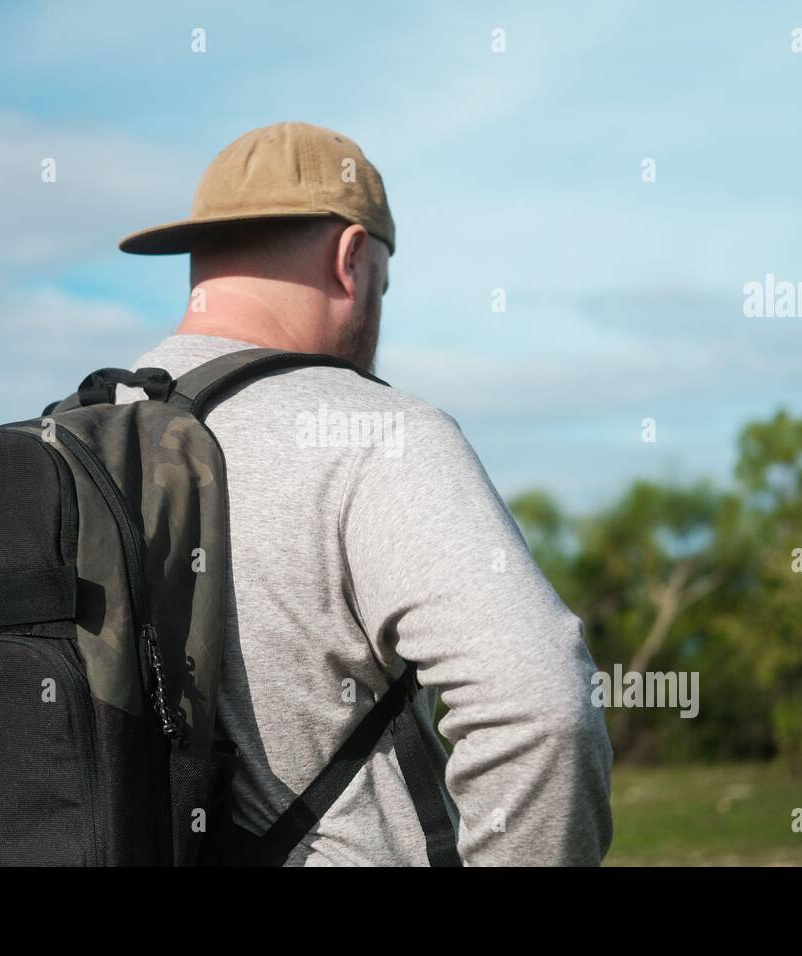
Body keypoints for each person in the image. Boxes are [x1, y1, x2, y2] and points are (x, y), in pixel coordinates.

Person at [118, 121, 613, 866]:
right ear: (352, 260)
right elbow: (541, 711)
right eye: (383, 279)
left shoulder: (76, 434)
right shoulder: (379, 432)